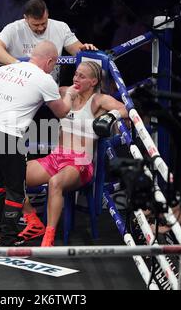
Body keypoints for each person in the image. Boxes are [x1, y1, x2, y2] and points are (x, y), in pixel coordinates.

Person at [18, 61, 128, 246]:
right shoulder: (65, 92)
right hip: (55, 158)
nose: (76, 79)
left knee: (55, 183)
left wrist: (111, 116)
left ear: (93, 82)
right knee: (12, 173)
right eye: (76, 74)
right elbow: (39, 86)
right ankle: (33, 220)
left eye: (82, 77)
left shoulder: (98, 100)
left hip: (80, 163)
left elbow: (127, 108)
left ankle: (49, 238)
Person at [0, 40, 73, 247]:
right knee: (15, 188)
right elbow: (61, 112)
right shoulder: (44, 79)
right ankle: (8, 238)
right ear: (49, 61)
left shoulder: (4, 69)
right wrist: (70, 94)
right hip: (8, 133)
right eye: (54, 65)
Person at [0, 0, 97, 81]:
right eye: (35, 25)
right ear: (26, 18)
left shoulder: (60, 27)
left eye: (44, 23)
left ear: (47, 14)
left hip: (48, 90)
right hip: (21, 87)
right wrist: (19, 64)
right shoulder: (14, 28)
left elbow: (77, 50)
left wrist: (86, 50)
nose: (41, 28)